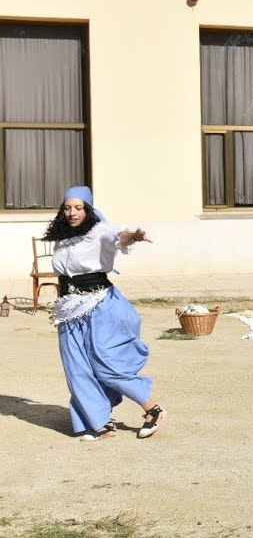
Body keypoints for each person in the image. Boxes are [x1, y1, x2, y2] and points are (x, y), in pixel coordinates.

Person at [43, 186, 166, 440]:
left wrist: (133, 235)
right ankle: (100, 421)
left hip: (100, 305)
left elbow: (117, 237)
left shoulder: (99, 230)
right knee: (76, 367)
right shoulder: (63, 235)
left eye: (78, 208)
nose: (72, 213)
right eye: (67, 208)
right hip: (69, 308)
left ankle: (153, 409)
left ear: (87, 209)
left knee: (105, 364)